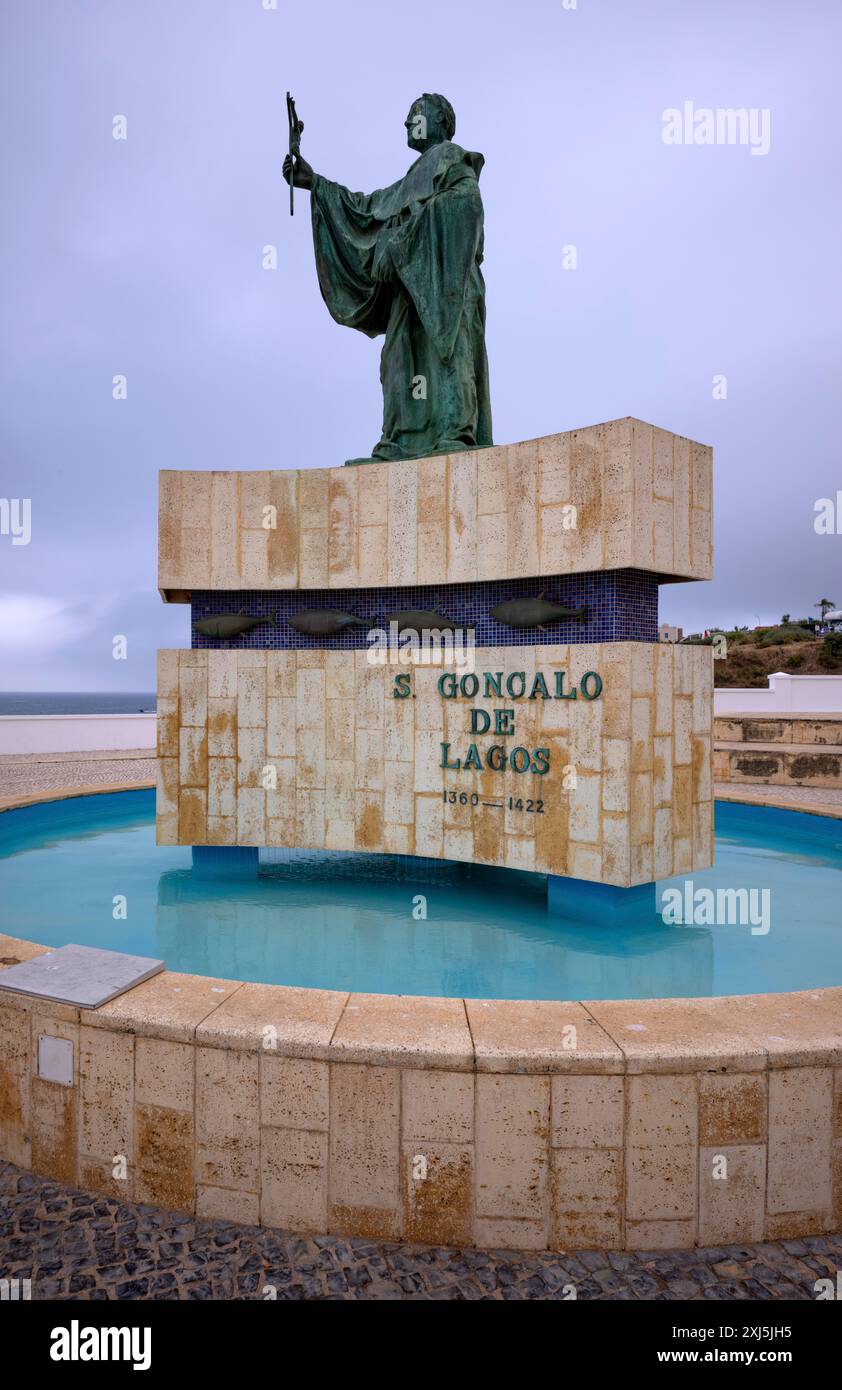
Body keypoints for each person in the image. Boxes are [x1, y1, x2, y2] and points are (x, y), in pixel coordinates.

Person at [284, 93, 492, 464]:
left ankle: (453, 433)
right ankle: (396, 440)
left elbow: (467, 205)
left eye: (417, 114)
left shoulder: (450, 158)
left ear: (441, 121)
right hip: (408, 290)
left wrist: (404, 239)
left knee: (448, 354)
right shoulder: (414, 178)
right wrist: (314, 183)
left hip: (447, 282)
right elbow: (368, 210)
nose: (408, 122)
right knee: (398, 358)